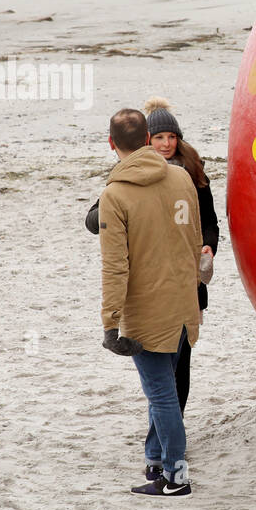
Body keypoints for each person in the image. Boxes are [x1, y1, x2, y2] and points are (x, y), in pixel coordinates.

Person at [86, 97, 218, 416]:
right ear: (147, 140)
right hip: (151, 287)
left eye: (172, 137)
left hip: (187, 281)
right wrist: (117, 208)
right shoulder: (124, 179)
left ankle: (170, 430)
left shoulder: (191, 174)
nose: (166, 143)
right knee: (159, 377)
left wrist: (208, 246)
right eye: (159, 137)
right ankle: (165, 434)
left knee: (179, 363)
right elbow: (93, 220)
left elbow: (210, 222)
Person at [97, 109, 203, 496]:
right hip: (182, 302)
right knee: (167, 391)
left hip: (147, 309)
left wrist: (109, 323)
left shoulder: (115, 193)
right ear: (148, 138)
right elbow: (194, 242)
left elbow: (115, 266)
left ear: (111, 144)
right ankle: (157, 458)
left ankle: (176, 476)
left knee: (161, 394)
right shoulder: (180, 177)